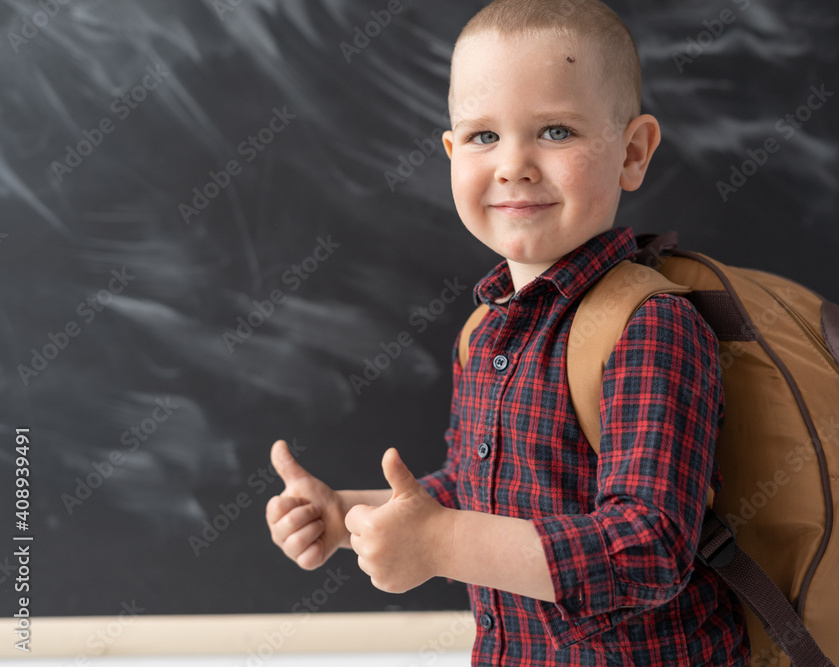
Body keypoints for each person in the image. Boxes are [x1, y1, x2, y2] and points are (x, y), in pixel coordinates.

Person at [266, 0, 750, 663]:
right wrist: (350, 515)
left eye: (555, 131)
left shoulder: (649, 326)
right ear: (451, 151)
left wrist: (438, 546)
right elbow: (474, 492)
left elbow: (649, 549)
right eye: (483, 136)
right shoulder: (486, 330)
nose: (513, 164)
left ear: (632, 152)